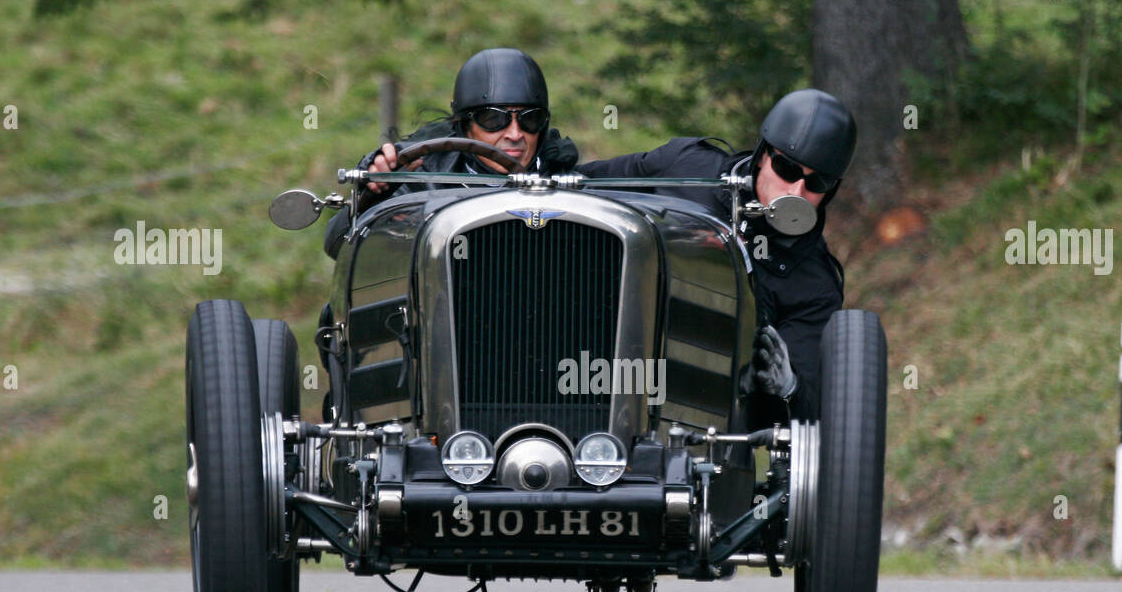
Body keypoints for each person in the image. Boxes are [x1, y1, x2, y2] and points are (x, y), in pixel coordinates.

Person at [575, 89, 856, 423]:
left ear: (832, 189)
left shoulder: (814, 284)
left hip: (706, 425)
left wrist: (787, 386)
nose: (796, 191)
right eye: (786, 168)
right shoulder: (687, 163)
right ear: (763, 155)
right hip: (598, 363)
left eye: (817, 182)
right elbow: (586, 186)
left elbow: (806, 412)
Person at [323, 47, 580, 259]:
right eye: (493, 119)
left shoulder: (565, 182)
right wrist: (376, 195)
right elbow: (338, 246)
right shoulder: (421, 181)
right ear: (465, 126)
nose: (514, 133)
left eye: (530, 119)